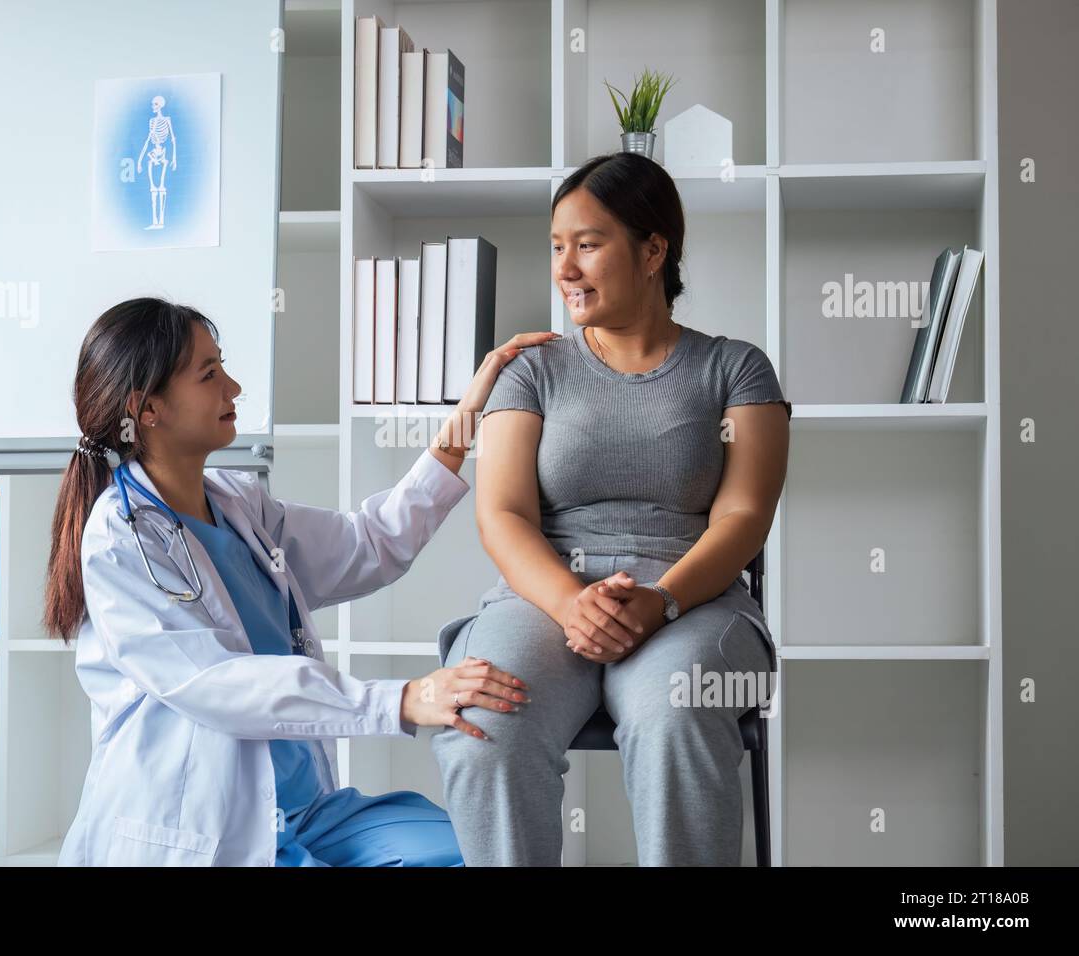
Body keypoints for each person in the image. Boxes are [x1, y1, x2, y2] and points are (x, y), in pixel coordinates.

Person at [48, 296, 555, 866]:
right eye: (209, 374)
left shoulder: (238, 503)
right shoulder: (121, 540)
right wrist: (402, 699)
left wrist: (470, 410)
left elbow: (371, 542)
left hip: (308, 810)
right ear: (146, 409)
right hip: (205, 824)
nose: (233, 388)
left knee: (482, 852)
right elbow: (217, 685)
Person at [431, 152, 793, 866]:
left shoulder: (737, 369)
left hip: (694, 600)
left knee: (677, 712)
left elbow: (743, 518)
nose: (565, 268)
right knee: (483, 723)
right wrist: (573, 605)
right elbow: (502, 513)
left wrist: (659, 602)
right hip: (543, 599)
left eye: (588, 245)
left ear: (654, 249)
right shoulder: (532, 369)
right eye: (557, 248)